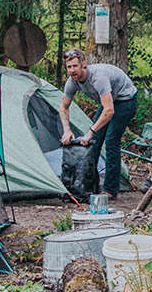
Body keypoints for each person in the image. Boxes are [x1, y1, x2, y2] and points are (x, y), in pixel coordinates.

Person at [59, 49, 138, 199]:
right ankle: (88, 186)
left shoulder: (98, 78)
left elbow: (109, 111)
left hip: (126, 99)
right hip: (109, 100)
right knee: (94, 143)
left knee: (111, 141)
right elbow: (63, 107)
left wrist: (90, 132)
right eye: (69, 67)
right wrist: (67, 130)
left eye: (75, 66)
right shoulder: (72, 82)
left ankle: (110, 190)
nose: (72, 70)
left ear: (83, 64)